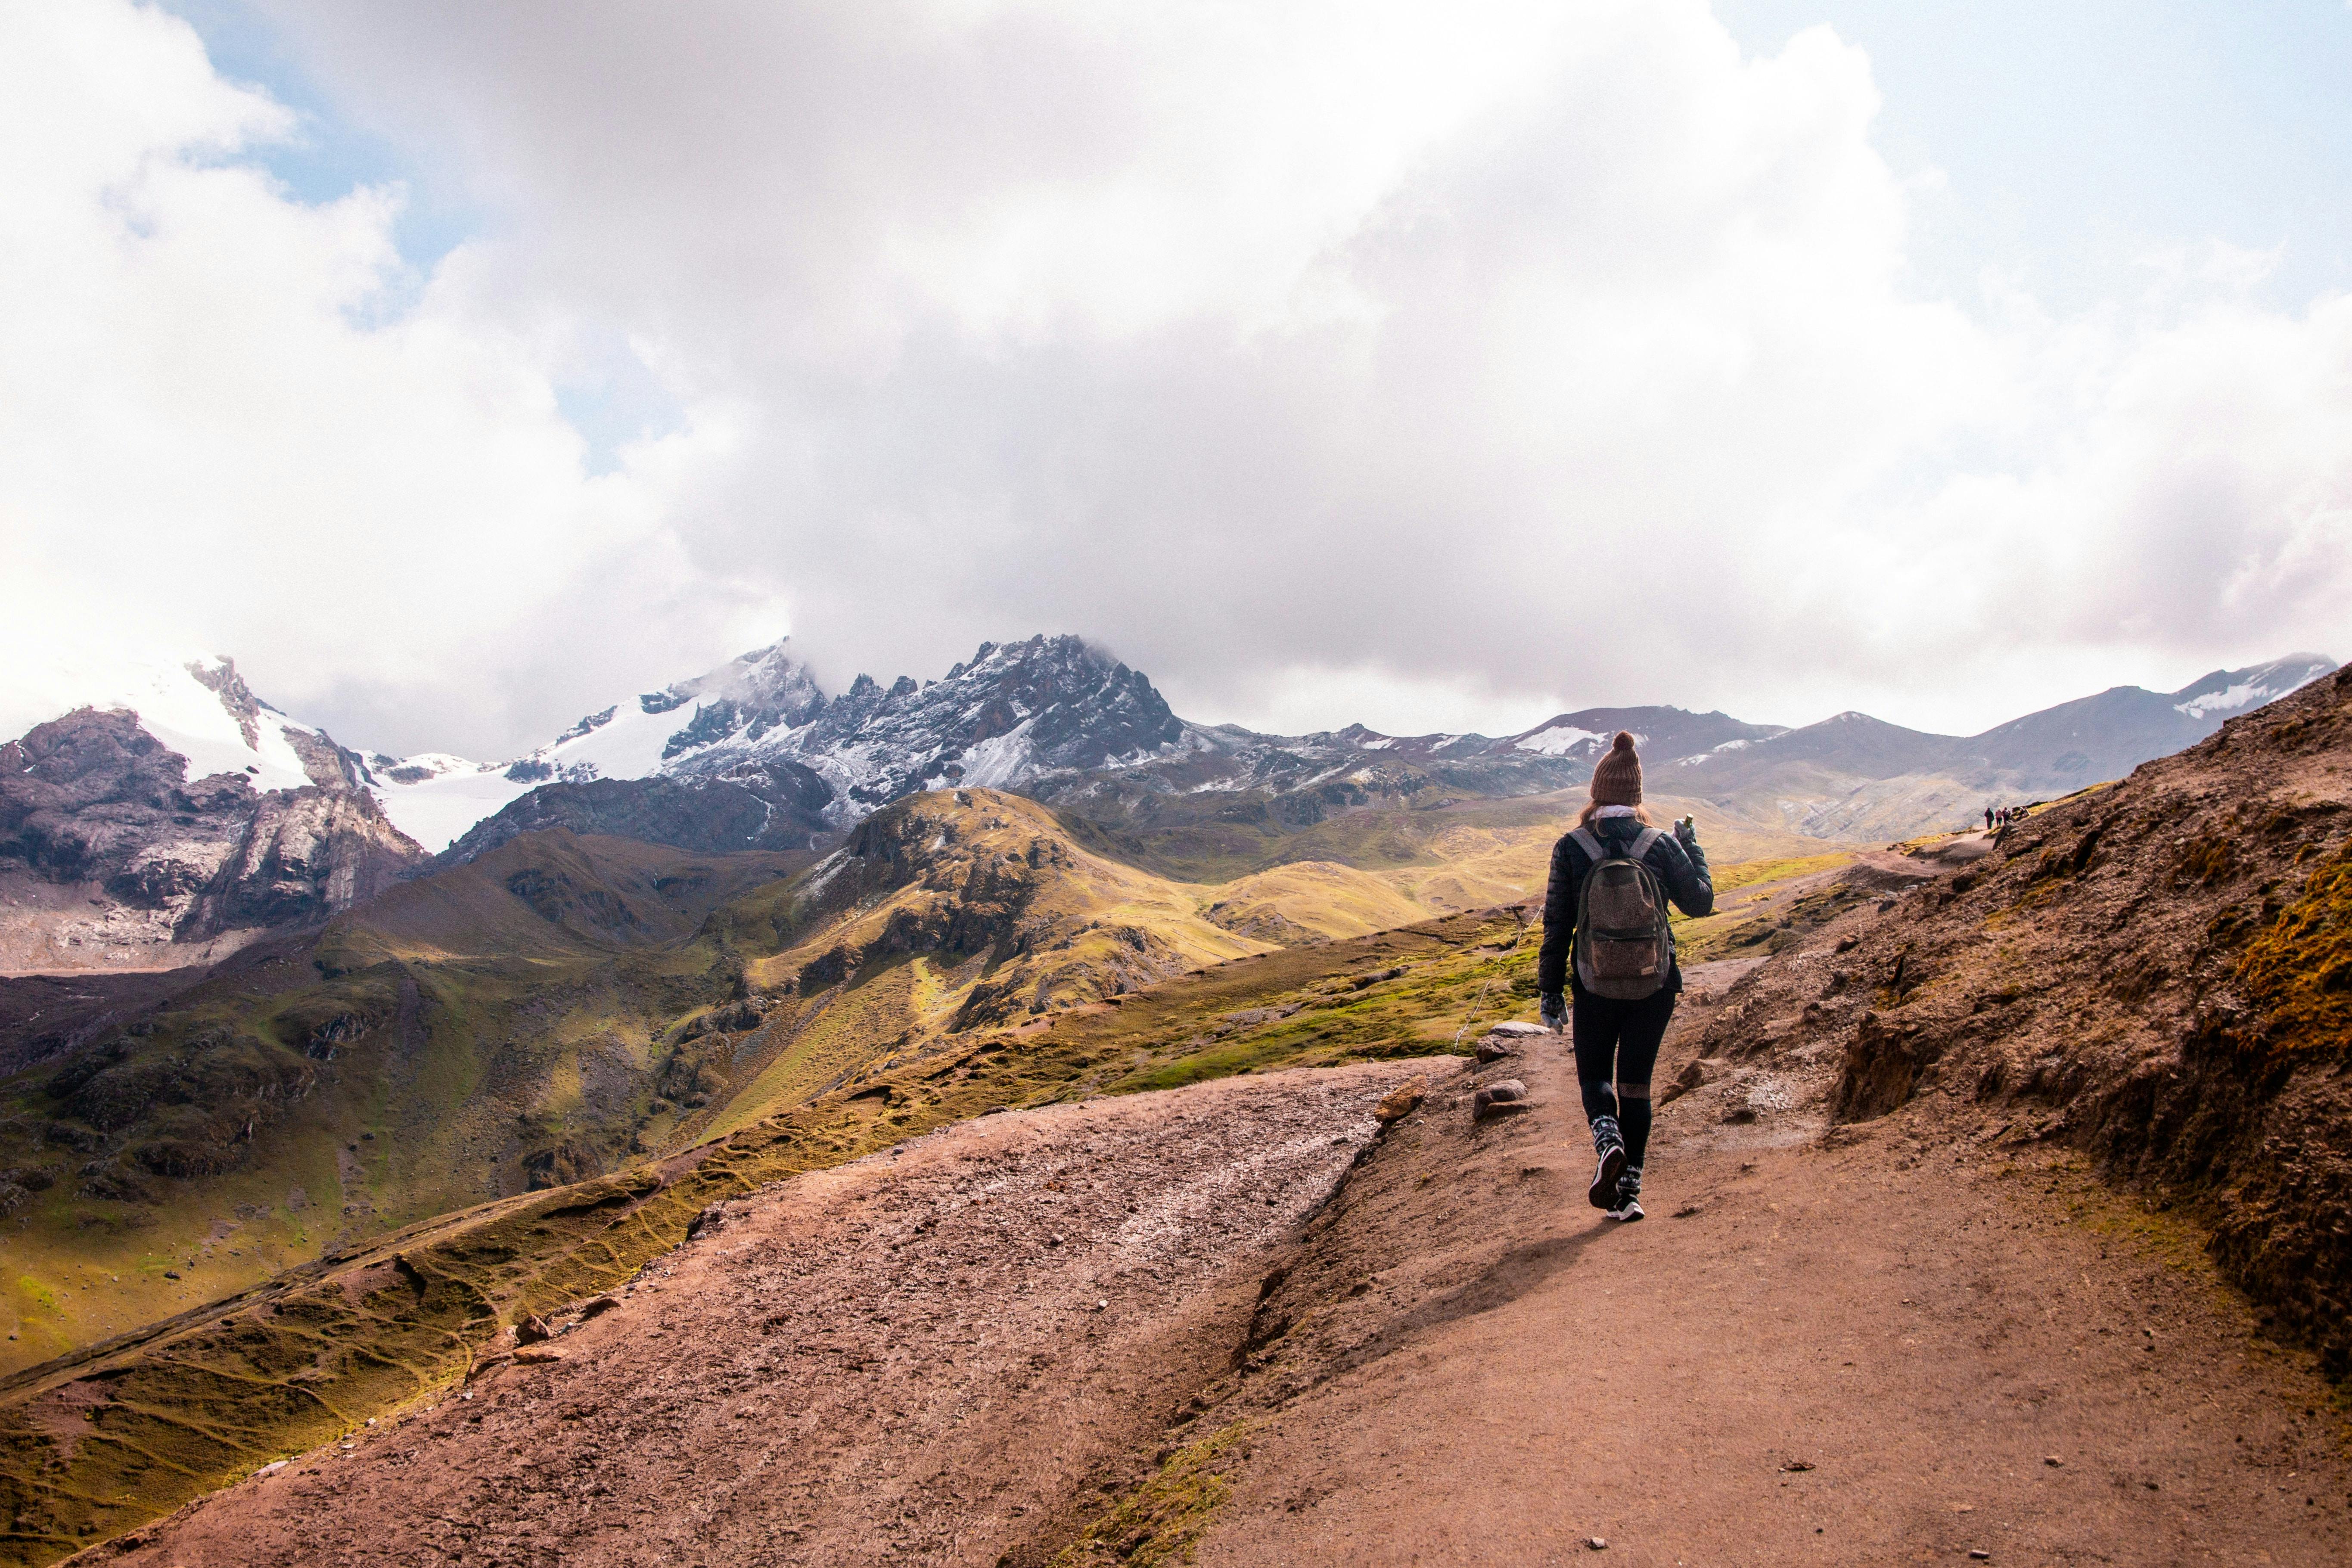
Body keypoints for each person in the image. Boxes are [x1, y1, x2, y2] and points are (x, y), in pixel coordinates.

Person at [1537, 731, 1714, 1223]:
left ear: (1596, 793)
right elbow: (1701, 902)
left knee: (1595, 1077)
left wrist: (1550, 991)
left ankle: (1607, 1139)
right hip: (1653, 985)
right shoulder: (1657, 844)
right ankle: (1628, 1192)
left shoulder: (1570, 846)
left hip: (1593, 985)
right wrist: (1690, 846)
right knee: (1636, 1085)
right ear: (1636, 795)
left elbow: (1557, 924)